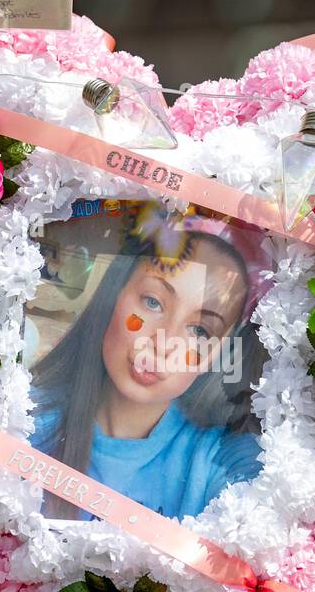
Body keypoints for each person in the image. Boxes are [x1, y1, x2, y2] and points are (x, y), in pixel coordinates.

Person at [29, 205, 267, 520]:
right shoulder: (23, 420)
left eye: (199, 330)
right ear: (115, 293)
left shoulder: (223, 463)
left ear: (216, 354)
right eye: (153, 301)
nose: (163, 342)